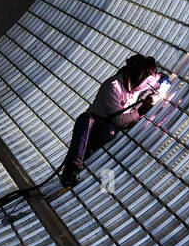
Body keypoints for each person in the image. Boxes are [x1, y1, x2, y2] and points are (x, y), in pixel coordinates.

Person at [59, 54, 161, 187]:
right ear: (133, 72)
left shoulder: (135, 88)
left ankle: (88, 164)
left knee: (112, 132)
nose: (145, 83)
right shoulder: (113, 86)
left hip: (111, 132)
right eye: (144, 76)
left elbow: (157, 80)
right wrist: (141, 110)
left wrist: (162, 80)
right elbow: (118, 120)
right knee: (85, 120)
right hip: (96, 129)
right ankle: (71, 170)